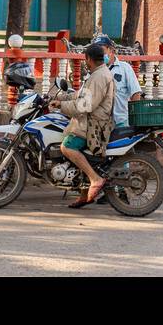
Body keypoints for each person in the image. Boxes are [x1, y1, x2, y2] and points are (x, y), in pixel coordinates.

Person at [48, 42, 115, 207]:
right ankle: (84, 194)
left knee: (67, 147)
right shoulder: (99, 73)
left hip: (92, 124)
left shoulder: (99, 76)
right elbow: (82, 94)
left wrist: (62, 107)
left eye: (85, 60)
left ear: (89, 59)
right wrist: (62, 98)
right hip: (91, 120)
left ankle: (95, 179)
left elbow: (85, 105)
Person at [98, 34, 143, 128]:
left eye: (101, 51)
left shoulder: (125, 68)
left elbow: (135, 93)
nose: (99, 55)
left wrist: (134, 118)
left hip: (121, 123)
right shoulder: (94, 70)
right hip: (100, 124)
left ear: (111, 50)